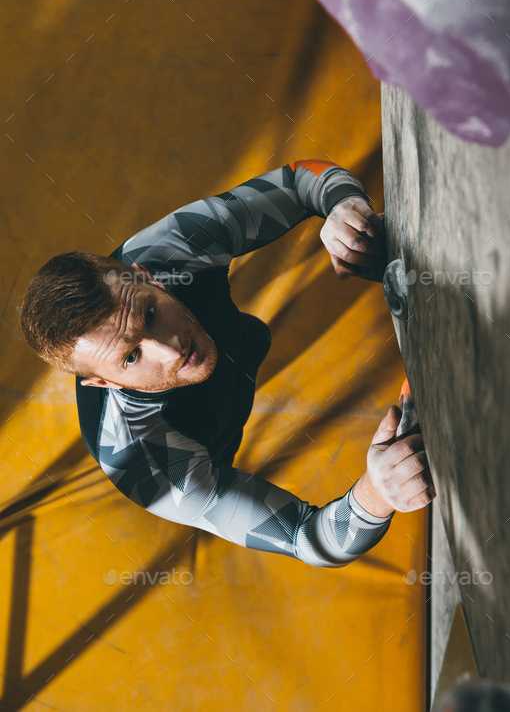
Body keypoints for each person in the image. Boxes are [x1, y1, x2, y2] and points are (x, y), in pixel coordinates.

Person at [20, 159, 435, 567]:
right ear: (102, 385)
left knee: (289, 308)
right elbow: (307, 539)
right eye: (131, 357)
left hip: (240, 342)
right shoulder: (152, 465)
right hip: (210, 433)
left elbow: (297, 181)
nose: (171, 349)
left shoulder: (169, 248)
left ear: (145, 276)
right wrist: (376, 496)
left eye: (149, 314)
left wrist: (344, 210)